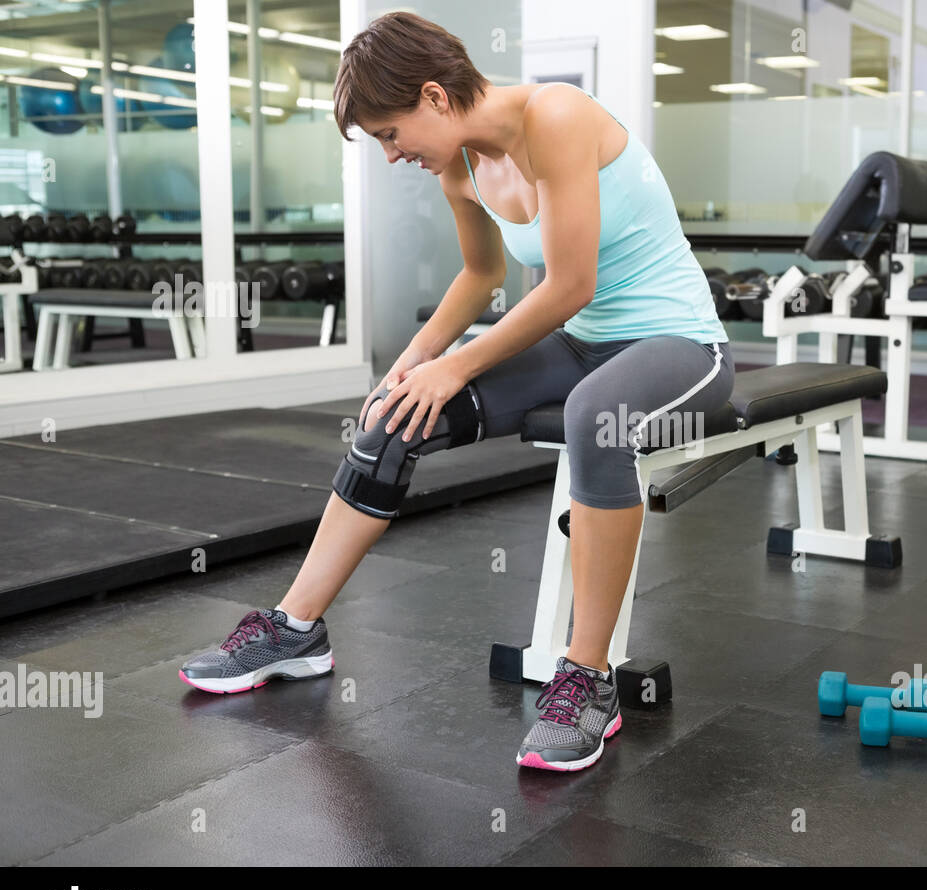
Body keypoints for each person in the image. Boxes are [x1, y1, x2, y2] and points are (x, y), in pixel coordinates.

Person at [179, 12, 734, 773]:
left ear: (435, 96)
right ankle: (295, 626)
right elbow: (482, 276)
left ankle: (588, 677)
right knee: (391, 422)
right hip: (580, 345)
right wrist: (412, 366)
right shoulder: (460, 165)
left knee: (594, 420)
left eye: (389, 131)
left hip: (678, 345)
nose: (390, 152)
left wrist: (460, 366)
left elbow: (572, 284)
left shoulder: (558, 117)